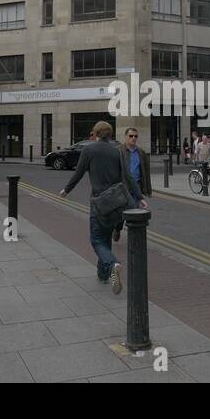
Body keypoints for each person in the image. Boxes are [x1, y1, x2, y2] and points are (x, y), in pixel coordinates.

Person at [60, 121, 147, 293]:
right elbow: (128, 177)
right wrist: (139, 197)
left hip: (99, 203)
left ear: (96, 134)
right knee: (105, 236)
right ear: (110, 134)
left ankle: (112, 263)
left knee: (97, 239)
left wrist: (66, 190)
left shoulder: (89, 150)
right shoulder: (117, 151)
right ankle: (103, 274)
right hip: (117, 203)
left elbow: (79, 172)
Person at [116, 127, 152, 241]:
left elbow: (146, 172)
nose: (133, 138)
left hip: (136, 187)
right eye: (131, 136)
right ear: (125, 137)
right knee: (121, 213)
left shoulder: (141, 152)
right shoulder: (119, 151)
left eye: (135, 136)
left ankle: (134, 239)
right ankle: (117, 228)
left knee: (135, 213)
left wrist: (148, 190)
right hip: (123, 187)